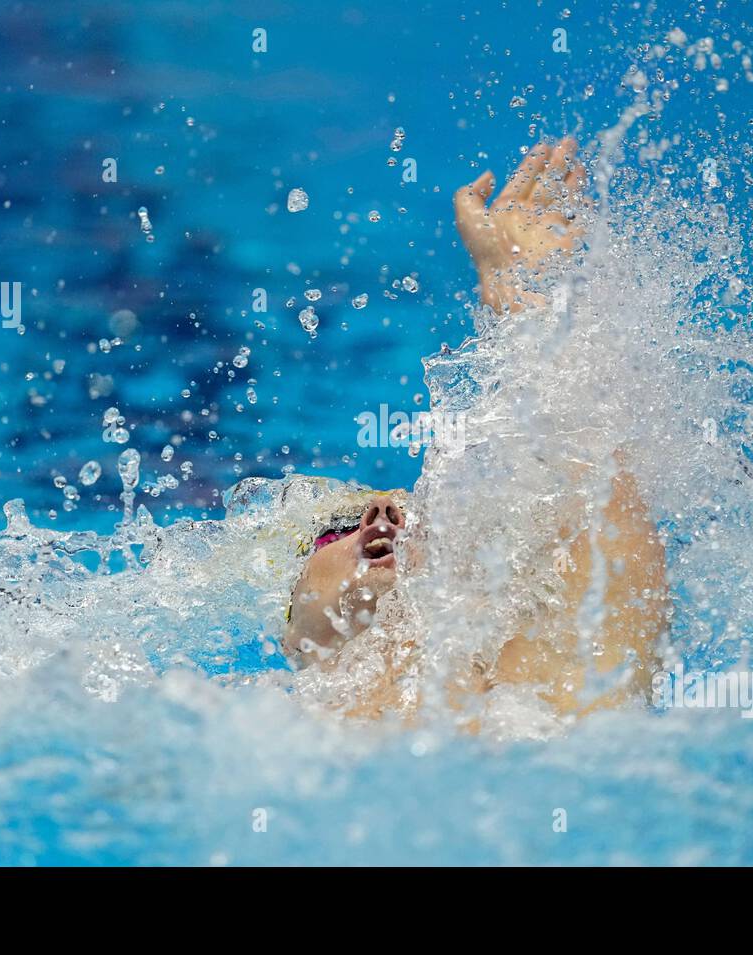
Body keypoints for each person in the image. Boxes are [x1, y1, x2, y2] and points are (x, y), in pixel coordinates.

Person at [282, 138, 669, 721]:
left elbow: (609, 524)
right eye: (336, 527)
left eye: (413, 528)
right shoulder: (235, 726)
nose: (382, 519)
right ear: (288, 631)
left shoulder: (530, 710)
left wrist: (526, 301)